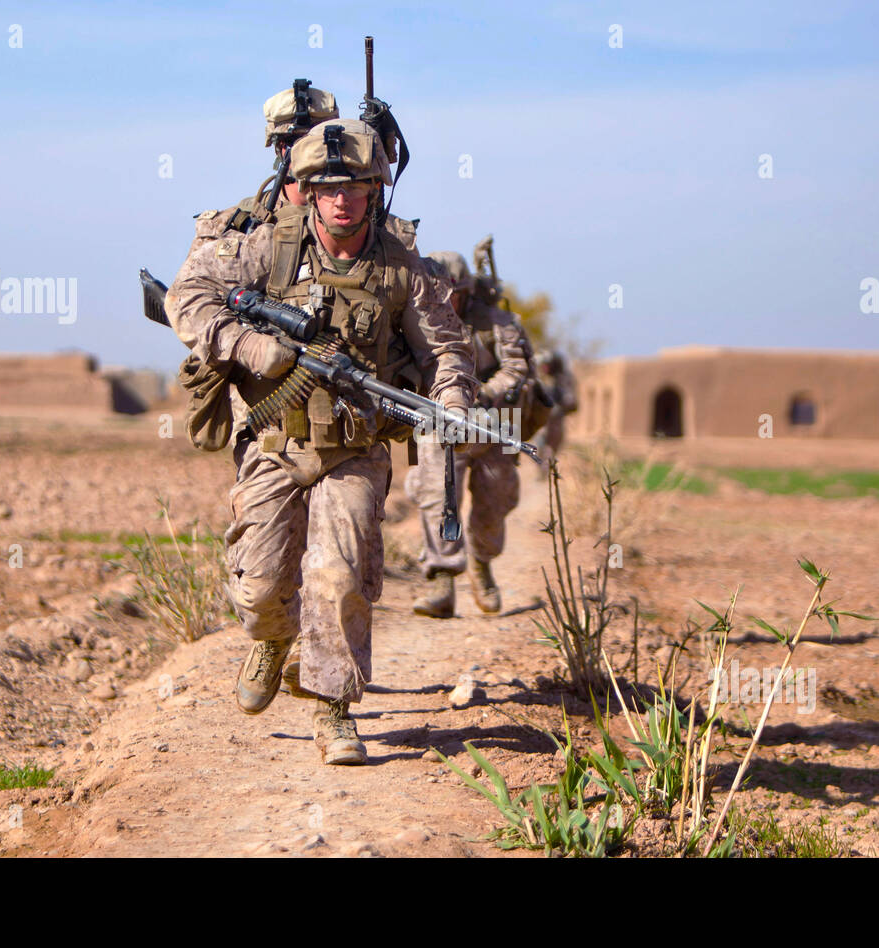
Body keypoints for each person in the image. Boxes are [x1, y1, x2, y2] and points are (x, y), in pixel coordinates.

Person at [164, 119, 475, 765]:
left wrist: (451, 404)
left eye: (355, 186)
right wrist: (251, 346)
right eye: (326, 186)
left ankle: (334, 710)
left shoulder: (399, 267)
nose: (341, 199)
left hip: (355, 448)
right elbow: (186, 297)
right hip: (274, 441)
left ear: (375, 189)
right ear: (305, 188)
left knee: (339, 577)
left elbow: (443, 347)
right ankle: (272, 641)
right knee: (260, 588)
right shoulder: (263, 249)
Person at [406, 251, 533, 618]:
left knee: (497, 500)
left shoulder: (498, 322)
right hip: (440, 420)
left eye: (452, 294)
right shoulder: (416, 319)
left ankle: (481, 562)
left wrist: (484, 397)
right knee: (435, 493)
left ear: (465, 291)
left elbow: (516, 369)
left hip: (498, 421)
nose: (445, 302)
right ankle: (442, 579)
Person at [533, 348, 578, 475]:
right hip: (543, 421)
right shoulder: (543, 380)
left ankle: (545, 472)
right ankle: (543, 471)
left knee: (549, 449)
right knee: (541, 447)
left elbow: (570, 402)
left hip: (554, 421)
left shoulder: (563, 380)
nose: (544, 368)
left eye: (547, 365)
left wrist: (557, 409)